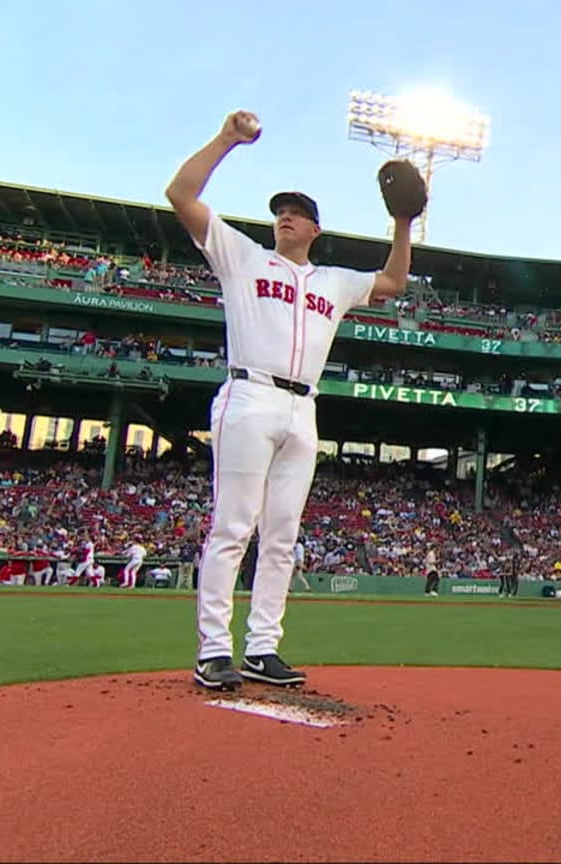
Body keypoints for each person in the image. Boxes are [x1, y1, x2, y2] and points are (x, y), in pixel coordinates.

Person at [166, 109, 414, 691]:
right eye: (280, 211)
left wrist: (403, 222)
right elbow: (180, 193)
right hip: (250, 394)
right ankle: (212, 649)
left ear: (315, 230)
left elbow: (395, 281)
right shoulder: (243, 257)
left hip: (305, 409)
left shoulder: (334, 280)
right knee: (233, 527)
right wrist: (226, 137)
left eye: (296, 213)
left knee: (282, 534)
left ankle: (262, 647)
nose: (285, 217)